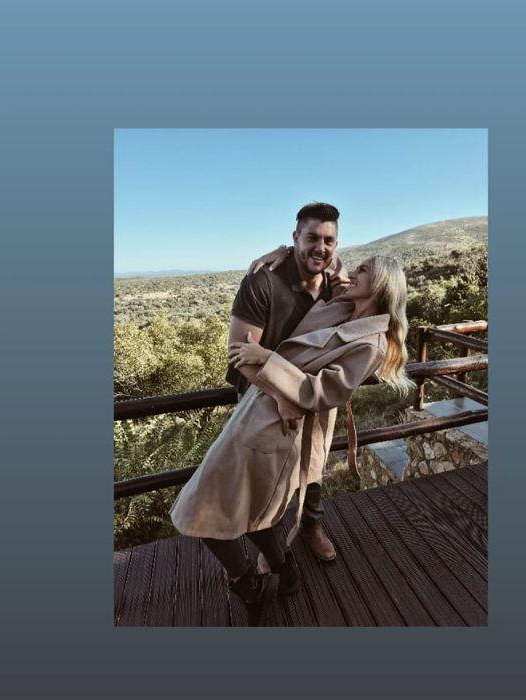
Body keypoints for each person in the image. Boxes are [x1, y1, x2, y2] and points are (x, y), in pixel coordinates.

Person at [170, 254, 413, 624]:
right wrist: (284, 249)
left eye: (363, 270)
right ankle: (285, 572)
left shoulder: (371, 344)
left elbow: (324, 391)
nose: (353, 273)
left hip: (278, 424)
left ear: (380, 284)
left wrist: (266, 357)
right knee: (259, 507)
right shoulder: (343, 306)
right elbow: (323, 251)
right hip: (260, 409)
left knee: (201, 506)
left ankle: (248, 585)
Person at [225, 202, 350, 565]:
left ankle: (311, 526)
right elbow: (238, 353)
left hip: (311, 390)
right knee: (268, 475)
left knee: (313, 461)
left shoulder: (335, 286)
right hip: (262, 394)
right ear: (295, 237)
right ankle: (274, 547)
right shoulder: (262, 282)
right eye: (312, 238)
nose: (320, 247)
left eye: (329, 240)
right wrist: (280, 396)